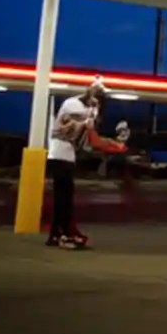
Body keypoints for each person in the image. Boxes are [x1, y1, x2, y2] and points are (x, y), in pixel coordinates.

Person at [47, 76, 107, 250]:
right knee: (63, 197)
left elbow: (89, 134)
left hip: (68, 153)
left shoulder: (88, 108)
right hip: (60, 152)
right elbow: (75, 128)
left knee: (65, 196)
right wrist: (89, 120)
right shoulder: (73, 105)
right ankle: (62, 233)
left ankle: (57, 233)